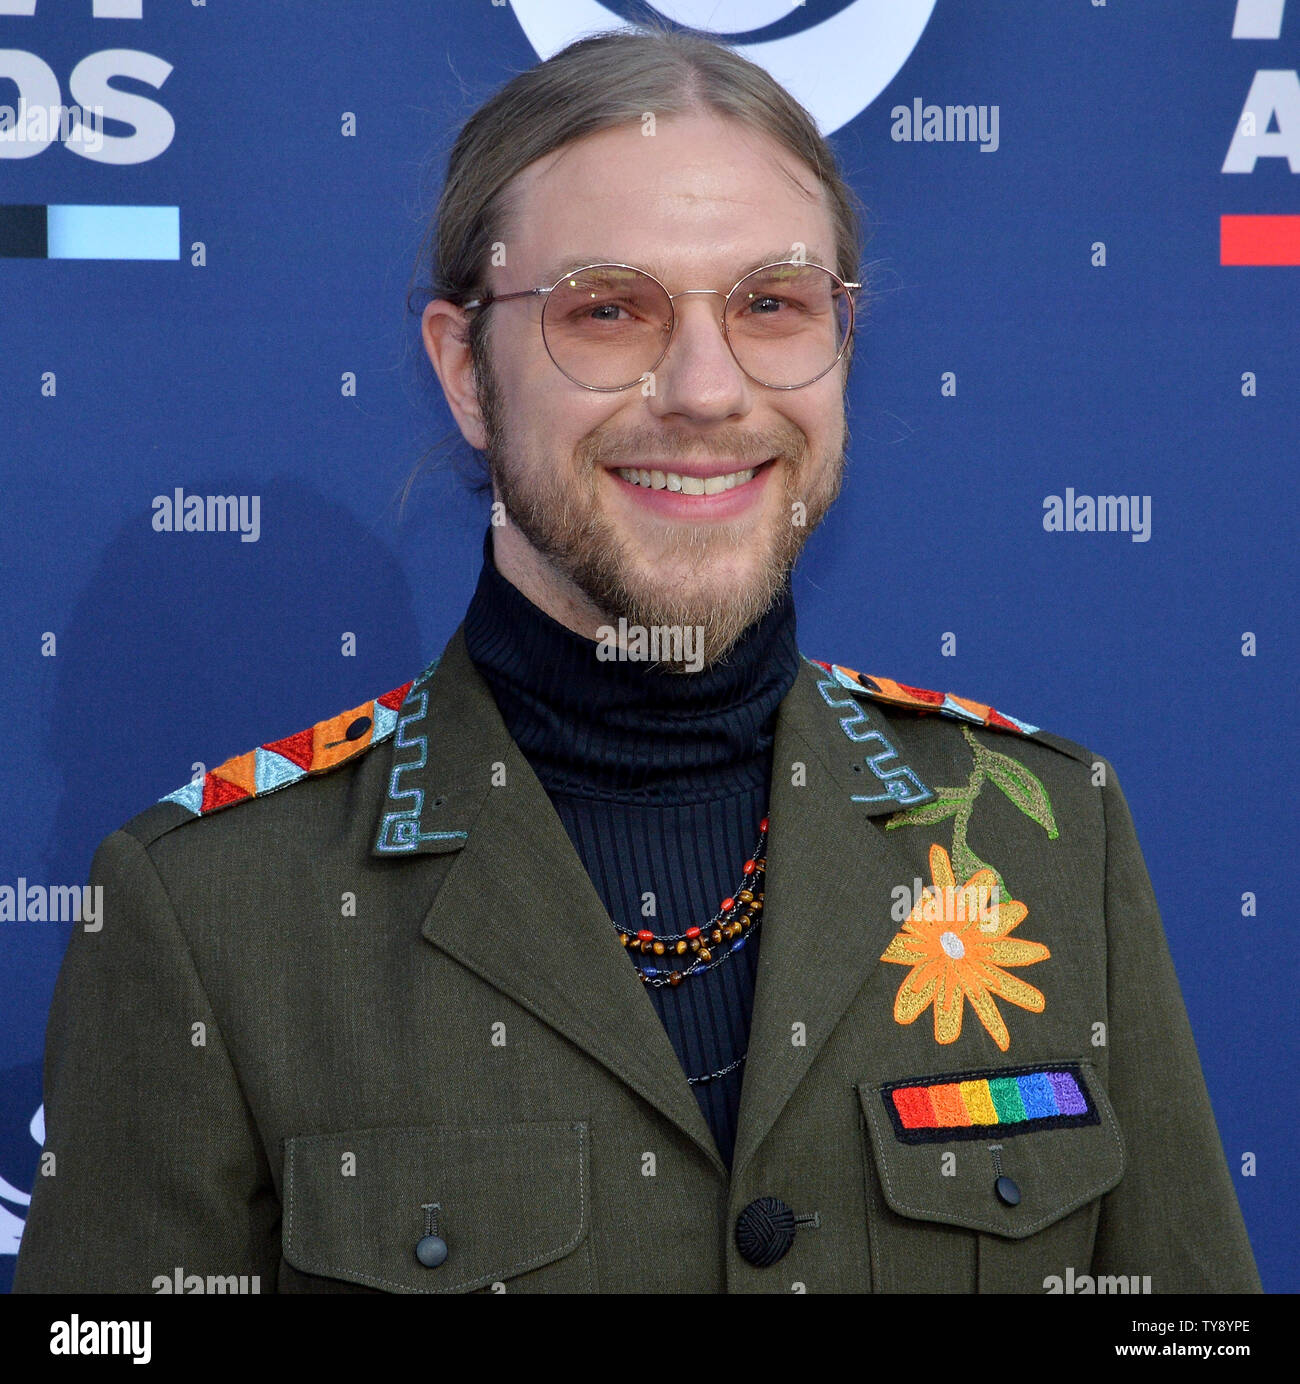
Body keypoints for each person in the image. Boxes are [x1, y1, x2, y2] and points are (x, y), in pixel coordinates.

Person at [15, 26, 1259, 1294]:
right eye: (608, 311)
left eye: (770, 304)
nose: (707, 391)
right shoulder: (211, 914)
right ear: (464, 369)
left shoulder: (1053, 837)